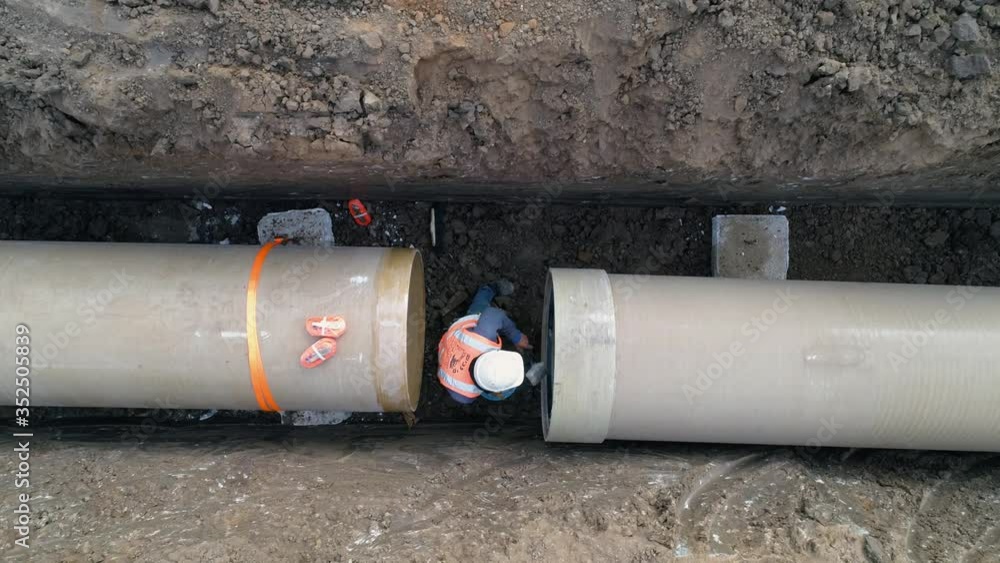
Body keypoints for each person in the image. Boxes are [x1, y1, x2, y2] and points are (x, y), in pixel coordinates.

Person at [437, 280, 544, 403]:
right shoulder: (464, 393)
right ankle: (489, 289)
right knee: (481, 308)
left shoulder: (483, 334)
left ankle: (492, 288)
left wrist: (516, 337)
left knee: (480, 308)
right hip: (448, 347)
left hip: (455, 338)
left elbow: (493, 314)